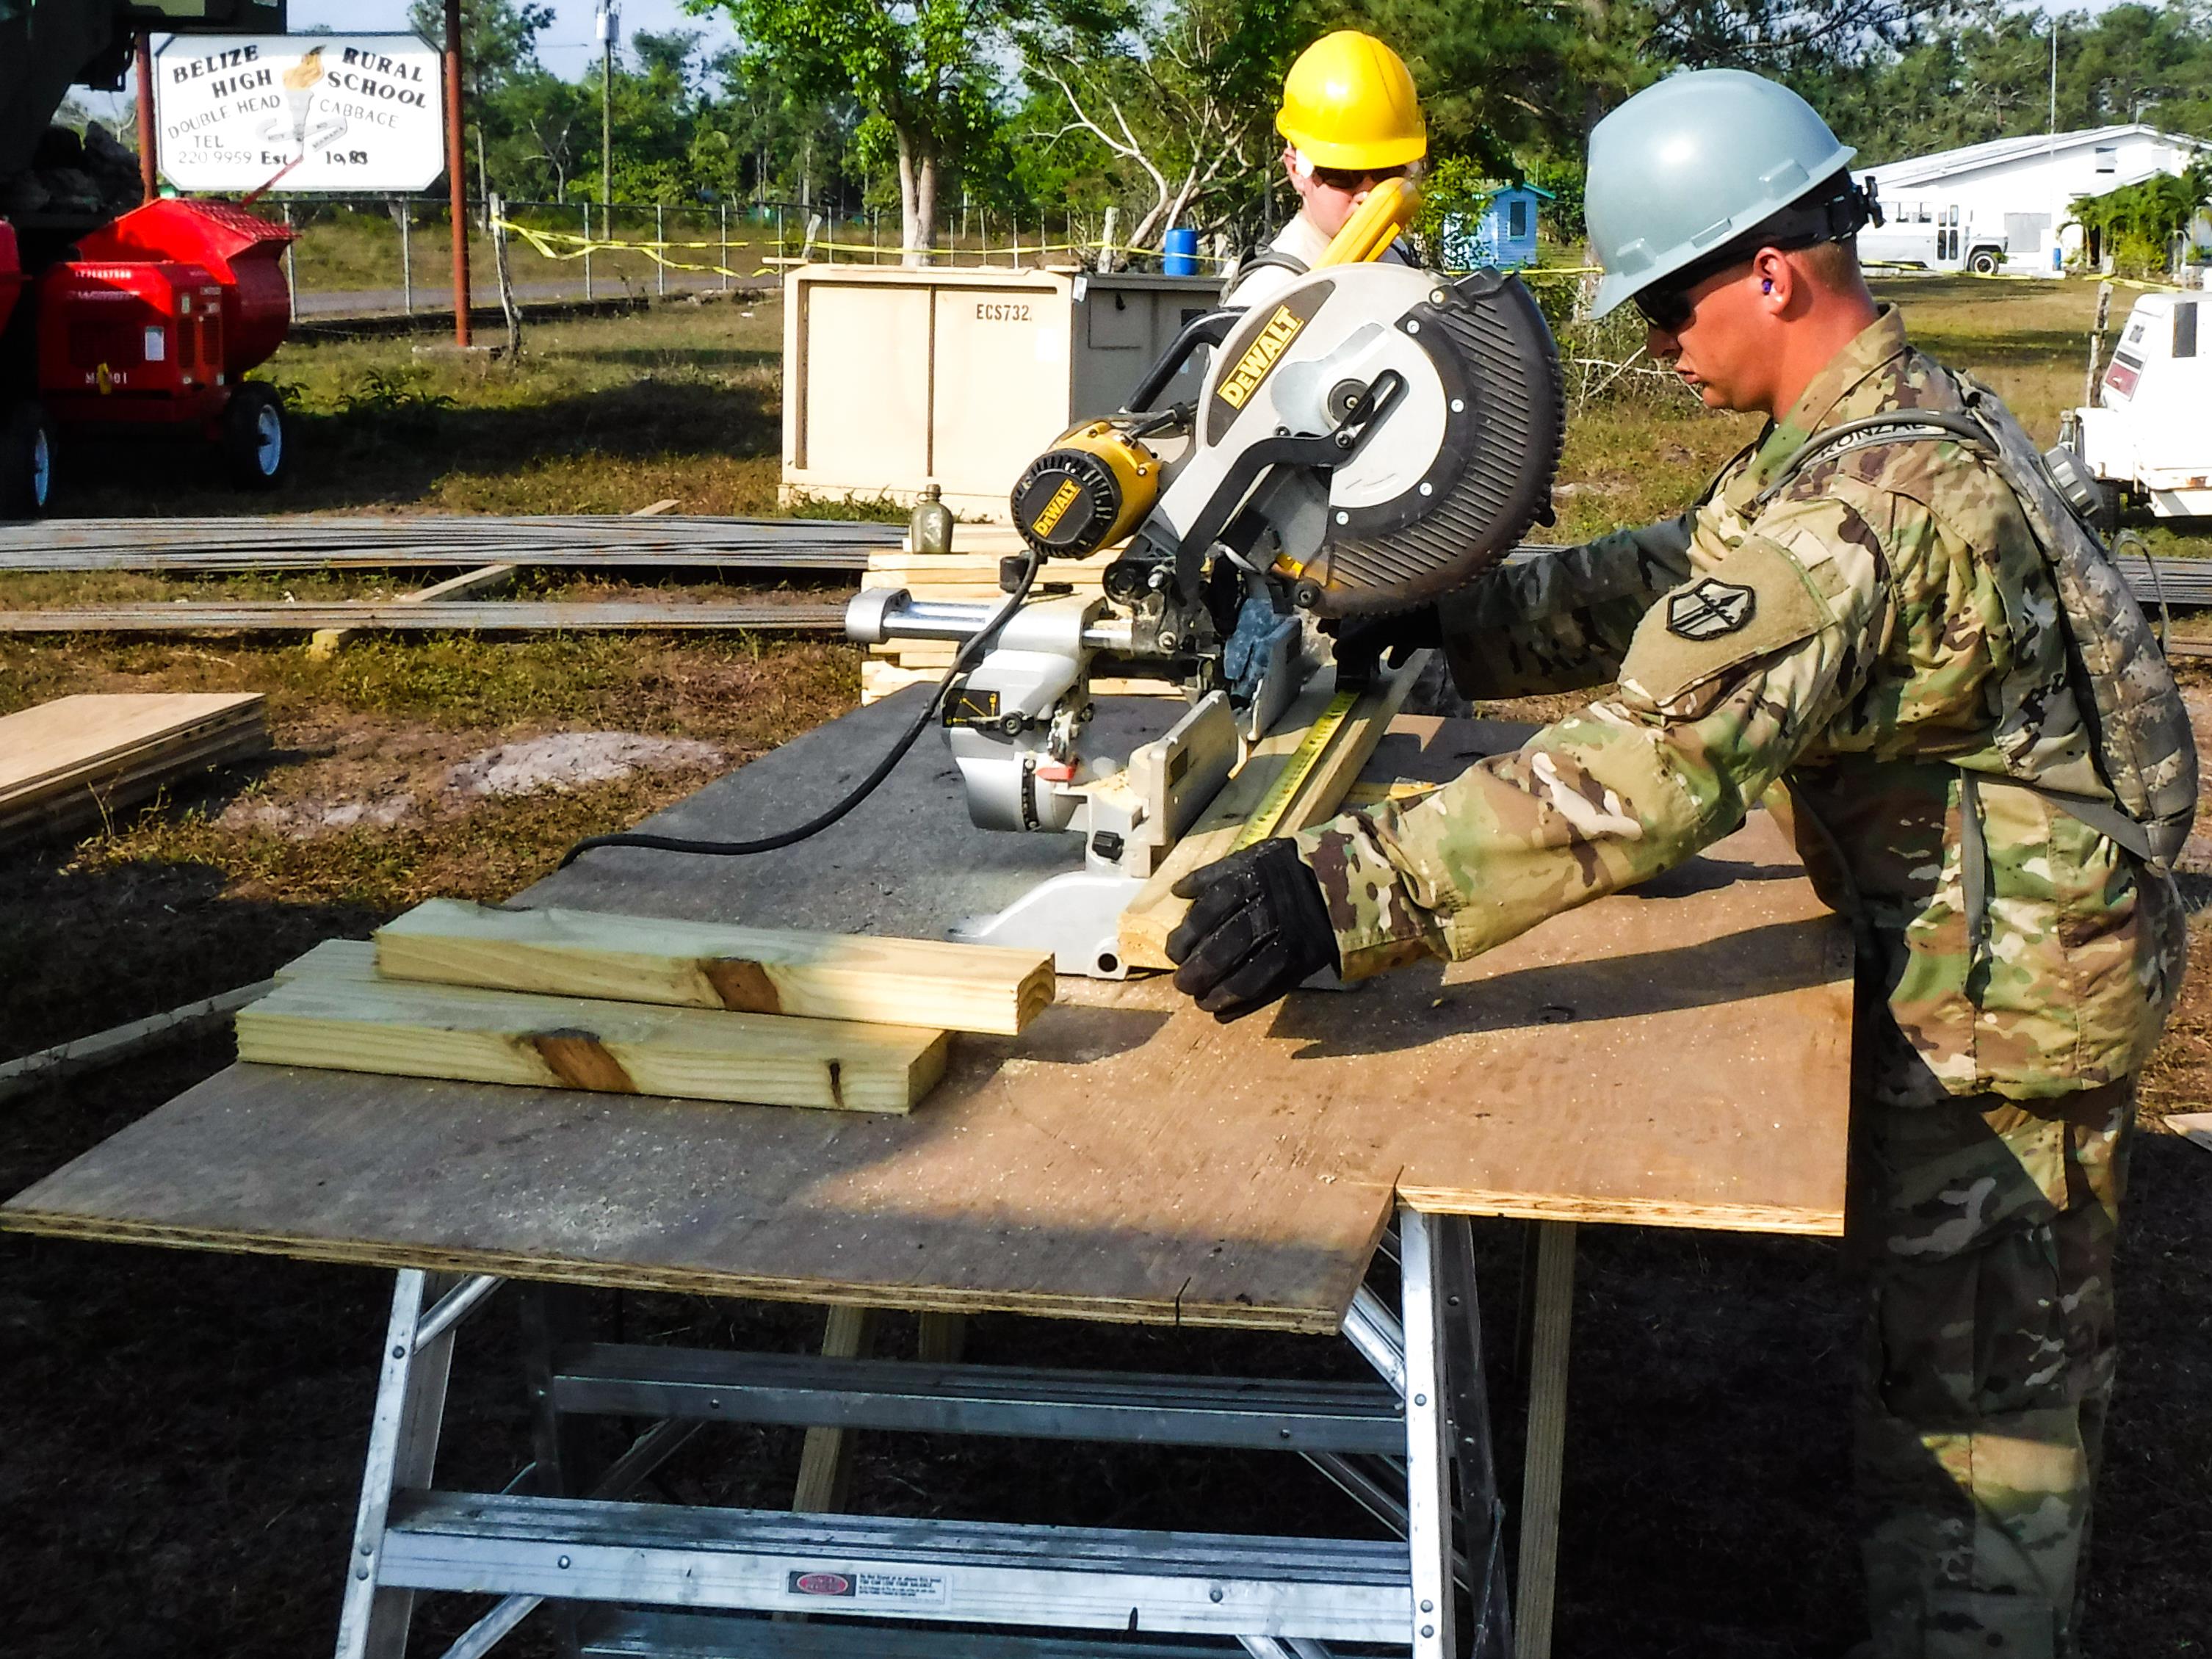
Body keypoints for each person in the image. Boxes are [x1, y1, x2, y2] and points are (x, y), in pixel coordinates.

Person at [1167, 67, 2192, 1659]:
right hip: (1990, 946)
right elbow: (1676, 578)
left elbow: (1643, 777)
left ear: (1769, 274)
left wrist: (1335, 889)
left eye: (1662, 306)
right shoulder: (1861, 430)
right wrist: (1445, 614)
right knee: (1973, 1356)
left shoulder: (1869, 507)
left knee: (1986, 1412)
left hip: (2008, 1011)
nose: (1654, 345)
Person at [1221, 30, 1425, 308]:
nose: (1368, 194)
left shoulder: (1399, 258)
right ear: (1296, 171)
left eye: (1386, 173)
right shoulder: (1269, 295)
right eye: (1343, 176)